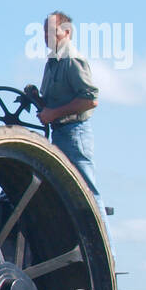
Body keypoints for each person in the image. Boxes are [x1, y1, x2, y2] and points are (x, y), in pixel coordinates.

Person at [37, 12, 104, 213]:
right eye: (44, 31)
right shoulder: (53, 62)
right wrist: (35, 98)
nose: (46, 35)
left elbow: (90, 100)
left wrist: (54, 114)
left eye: (51, 31)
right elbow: (51, 104)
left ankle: (104, 245)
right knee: (63, 194)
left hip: (75, 134)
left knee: (89, 195)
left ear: (66, 32)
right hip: (60, 134)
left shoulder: (72, 60)